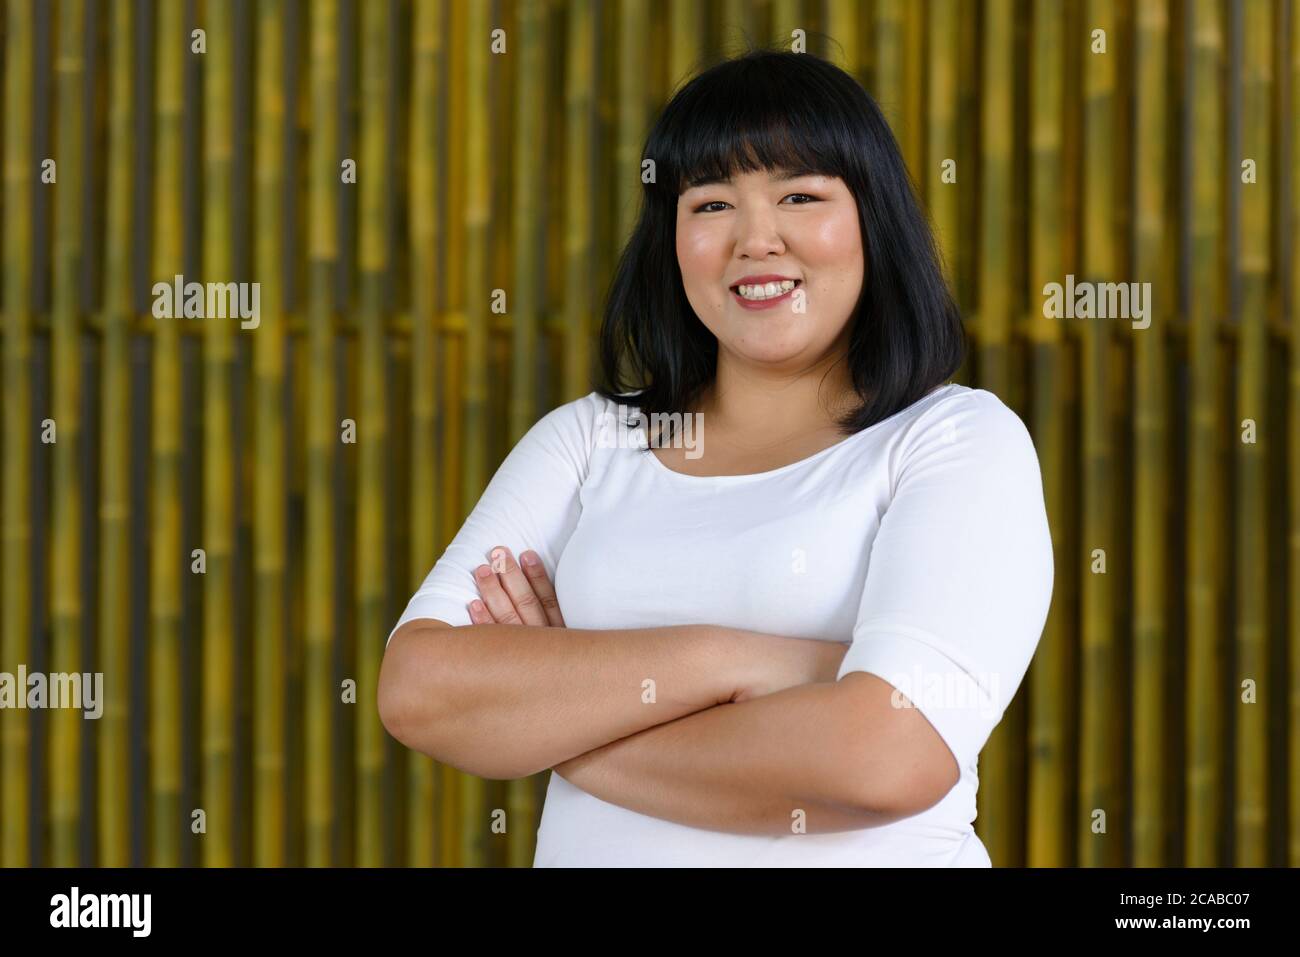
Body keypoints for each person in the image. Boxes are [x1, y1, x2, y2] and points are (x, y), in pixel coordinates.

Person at [378, 48, 1053, 867]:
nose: (755, 239)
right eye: (711, 205)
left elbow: (886, 754)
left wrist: (557, 722)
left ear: (874, 221)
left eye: (800, 195)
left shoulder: (954, 441)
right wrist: (736, 660)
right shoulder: (589, 441)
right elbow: (420, 692)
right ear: (671, 239)